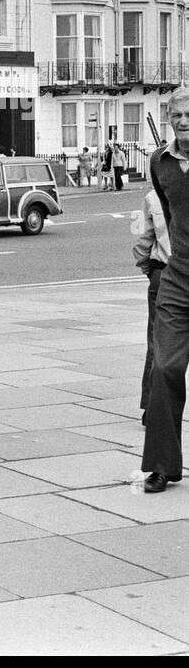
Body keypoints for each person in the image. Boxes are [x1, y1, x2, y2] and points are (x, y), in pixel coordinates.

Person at [142, 91, 189, 493]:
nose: (183, 119)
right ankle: (162, 464)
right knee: (165, 368)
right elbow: (171, 215)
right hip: (178, 281)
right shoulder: (159, 162)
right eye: (176, 114)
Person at [135, 185, 171, 428]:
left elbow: (142, 240)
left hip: (164, 274)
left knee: (157, 343)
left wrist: (149, 268)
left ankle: (152, 408)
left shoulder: (153, 196)